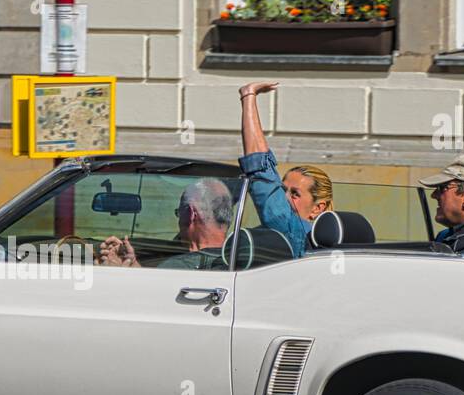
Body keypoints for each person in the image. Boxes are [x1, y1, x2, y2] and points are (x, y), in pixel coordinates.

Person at [238, 82, 331, 258]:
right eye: (283, 189)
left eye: (295, 194)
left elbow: (260, 169)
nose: (284, 197)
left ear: (317, 208)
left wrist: (248, 96)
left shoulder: (294, 234)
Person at [99, 177, 233, 269]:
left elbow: (146, 298)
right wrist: (132, 263)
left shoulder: (177, 267)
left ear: (191, 214)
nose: (179, 219)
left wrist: (119, 272)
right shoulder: (242, 262)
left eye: (179, 212)